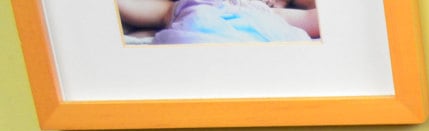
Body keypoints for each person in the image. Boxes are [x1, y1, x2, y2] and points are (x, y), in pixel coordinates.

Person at [117, 0, 318, 43]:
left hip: (247, 37)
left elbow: (320, 19)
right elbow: (160, 13)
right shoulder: (196, 5)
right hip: (195, 20)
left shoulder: (276, 17)